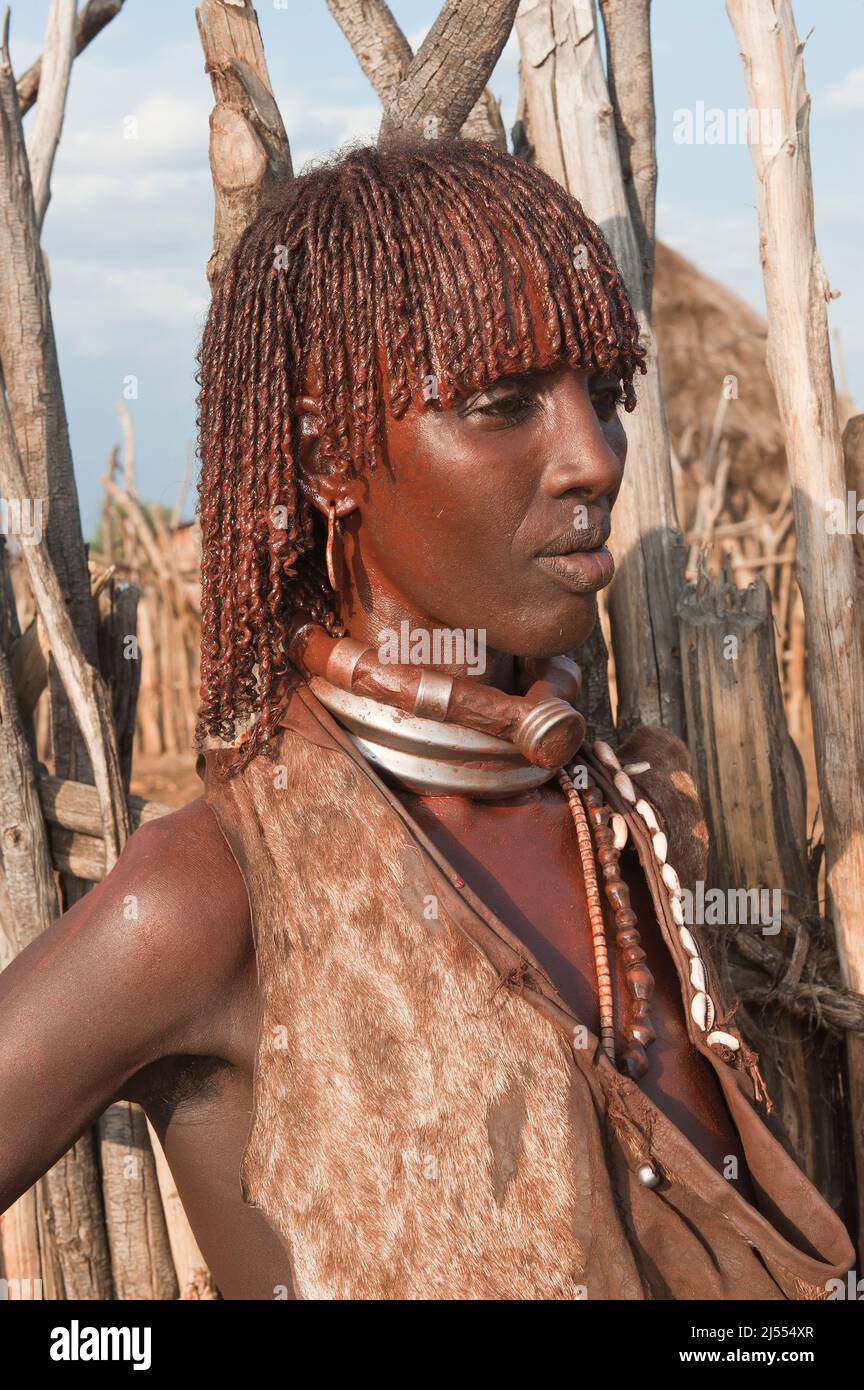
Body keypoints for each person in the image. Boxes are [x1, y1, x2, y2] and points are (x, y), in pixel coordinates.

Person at [0, 140, 853, 1300]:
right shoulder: (217, 896)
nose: (594, 458)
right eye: (504, 406)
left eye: (603, 397)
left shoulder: (632, 822)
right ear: (327, 457)